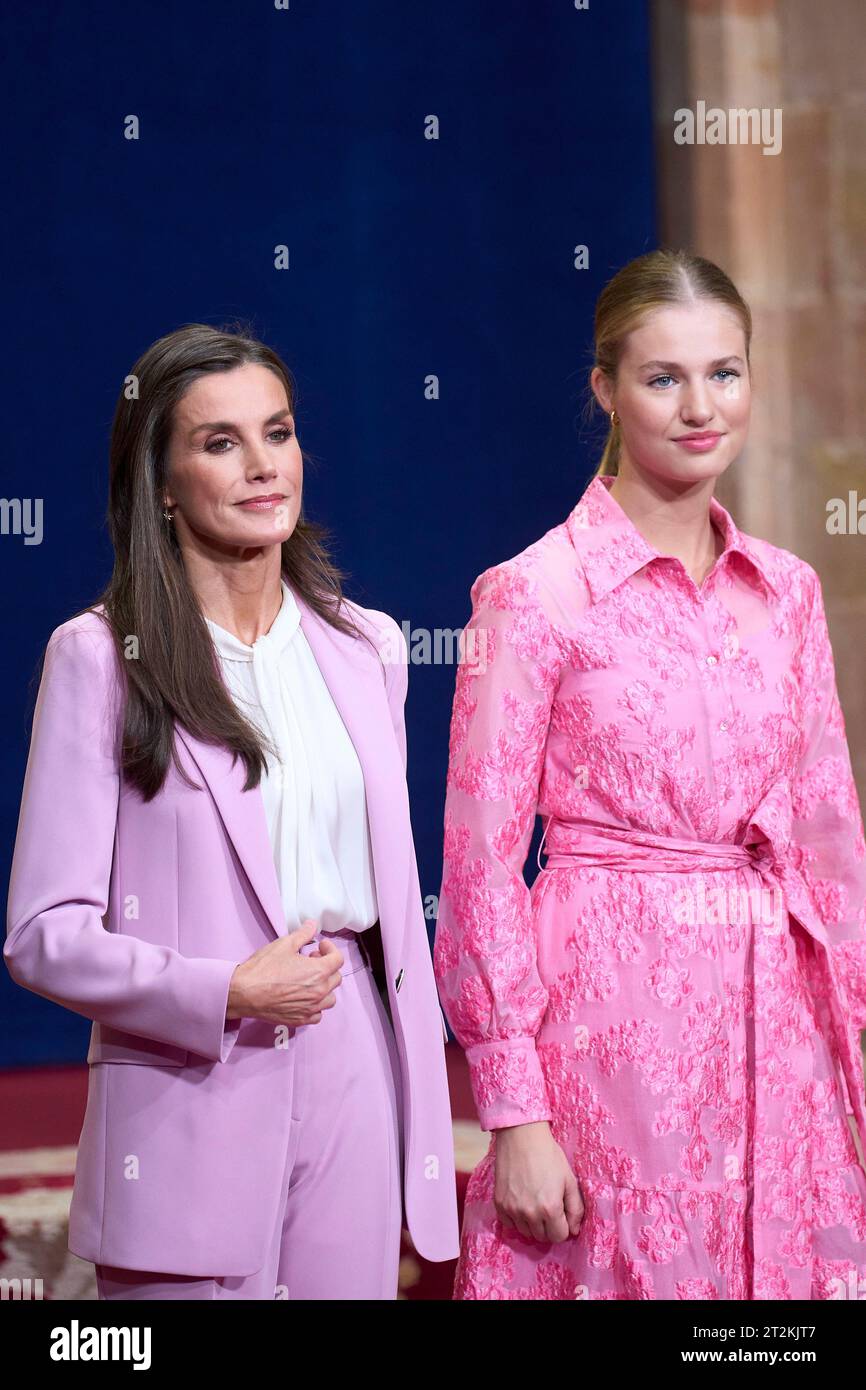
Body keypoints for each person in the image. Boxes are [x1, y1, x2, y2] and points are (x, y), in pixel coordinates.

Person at [434, 249, 866, 1300]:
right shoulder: (531, 597)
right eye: (661, 377)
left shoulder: (786, 593)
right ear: (604, 387)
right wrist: (514, 1113)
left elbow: (827, 840)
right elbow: (478, 866)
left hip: (782, 1027)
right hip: (608, 1033)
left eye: (723, 372)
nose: (698, 406)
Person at [5, 322, 459, 1299]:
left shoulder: (369, 647)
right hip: (187, 1087)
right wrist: (223, 990)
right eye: (220, 443)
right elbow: (43, 933)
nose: (262, 466)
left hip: (353, 1061)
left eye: (278, 432)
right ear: (161, 484)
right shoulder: (98, 658)